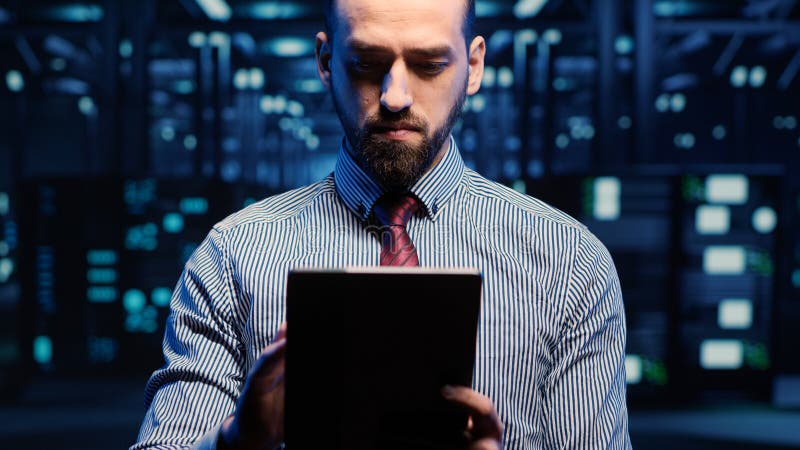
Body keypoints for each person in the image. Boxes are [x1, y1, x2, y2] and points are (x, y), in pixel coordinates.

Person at [131, 0, 631, 448]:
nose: (395, 96)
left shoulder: (568, 263)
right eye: (367, 63)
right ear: (326, 62)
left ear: (474, 66)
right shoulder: (233, 257)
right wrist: (239, 444)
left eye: (429, 64)